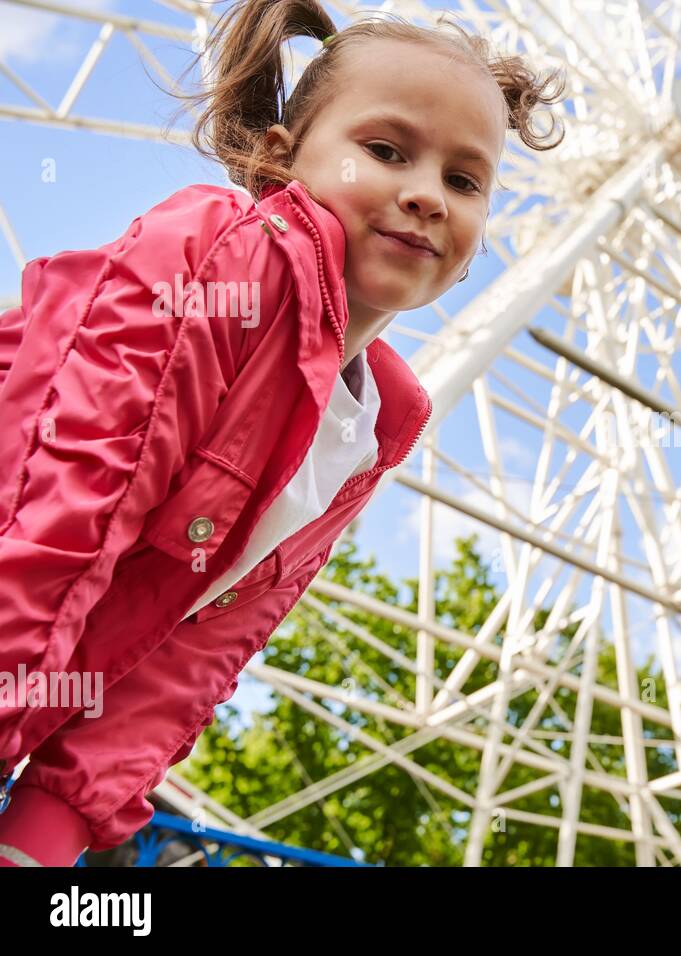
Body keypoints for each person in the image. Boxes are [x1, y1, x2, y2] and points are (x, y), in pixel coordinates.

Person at [0, 0, 564, 866]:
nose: (425, 194)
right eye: (385, 151)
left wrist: (50, 831)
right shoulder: (214, 254)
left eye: (464, 180)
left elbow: (196, 646)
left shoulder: (376, 430)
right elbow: (59, 521)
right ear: (276, 158)